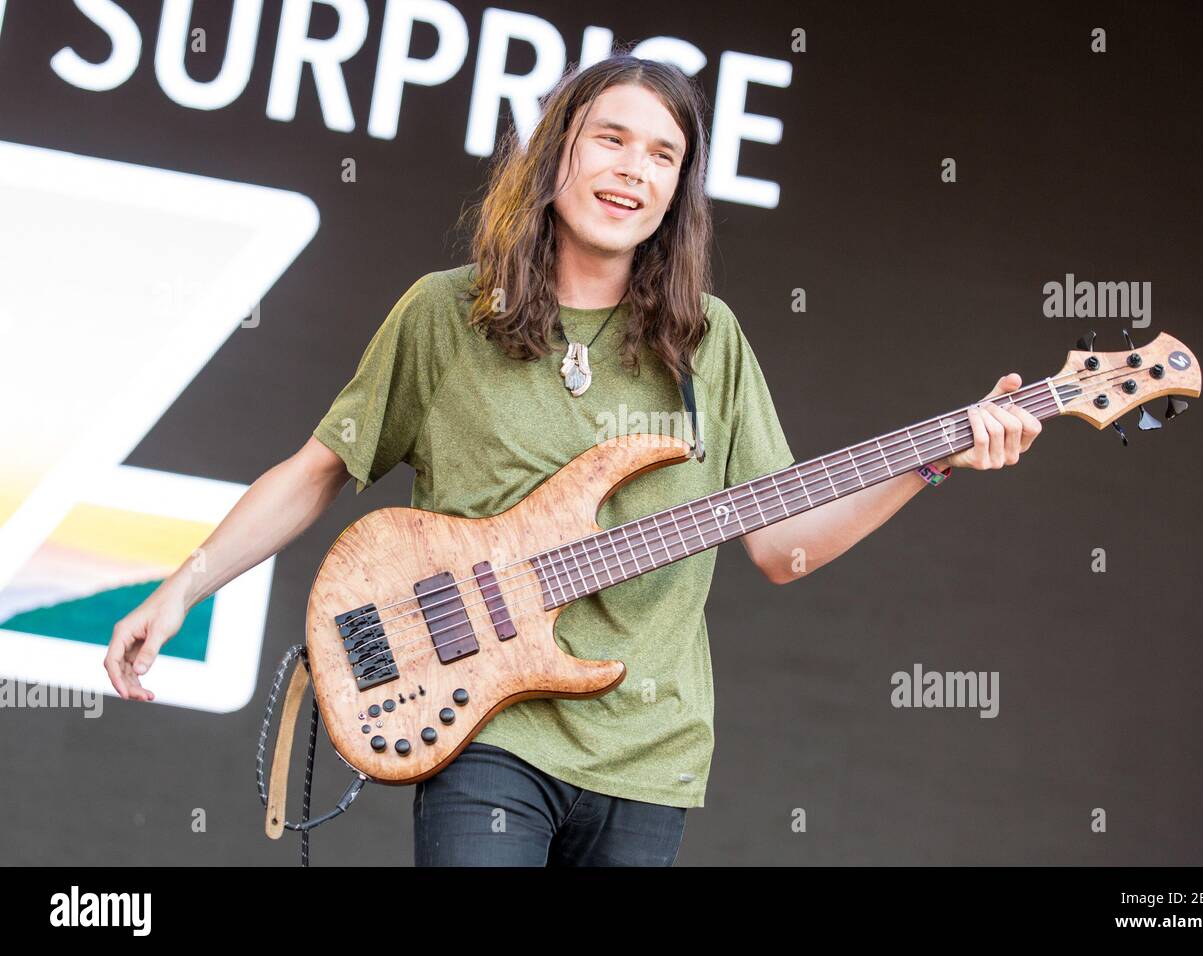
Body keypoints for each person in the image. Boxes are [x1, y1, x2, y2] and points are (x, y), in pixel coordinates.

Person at [105, 51, 1041, 867]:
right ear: (558, 150)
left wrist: (936, 458)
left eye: (664, 155)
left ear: (681, 190)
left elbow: (779, 549)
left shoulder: (707, 342)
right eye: (611, 139)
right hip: (490, 733)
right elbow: (318, 466)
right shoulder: (446, 315)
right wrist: (184, 586)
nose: (634, 170)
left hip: (651, 753)